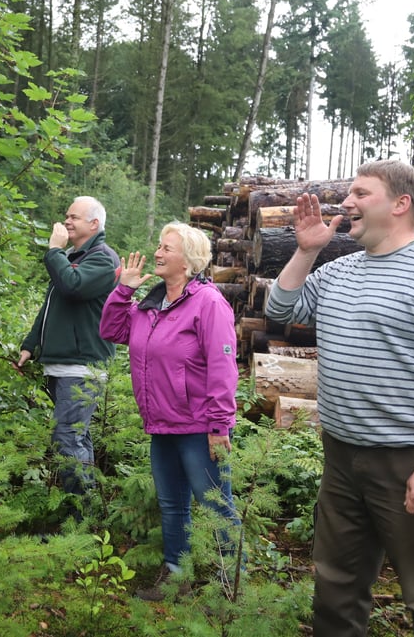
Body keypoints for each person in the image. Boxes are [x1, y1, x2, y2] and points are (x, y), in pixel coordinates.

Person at [264, 160, 414, 636]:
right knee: (336, 589)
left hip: (410, 462)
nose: (346, 202)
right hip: (341, 459)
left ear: (400, 203)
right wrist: (306, 252)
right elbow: (281, 311)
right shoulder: (338, 272)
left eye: (360, 193)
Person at [99, 221, 241, 600]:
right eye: (159, 246)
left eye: (166, 248)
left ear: (188, 260)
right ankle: (177, 579)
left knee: (215, 505)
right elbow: (112, 330)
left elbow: (223, 366)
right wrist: (124, 289)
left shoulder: (208, 303)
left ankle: (230, 588)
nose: (157, 253)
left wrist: (219, 425)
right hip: (162, 425)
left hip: (200, 427)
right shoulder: (151, 305)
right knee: (173, 506)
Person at [16, 196, 120, 510]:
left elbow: (73, 287)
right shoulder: (74, 256)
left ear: (94, 224)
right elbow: (52, 305)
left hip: (83, 366)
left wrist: (54, 252)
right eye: (67, 216)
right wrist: (30, 344)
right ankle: (86, 513)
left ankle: (81, 515)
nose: (67, 221)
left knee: (67, 438)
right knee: (76, 438)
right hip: (62, 365)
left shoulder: (103, 259)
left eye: (74, 217)